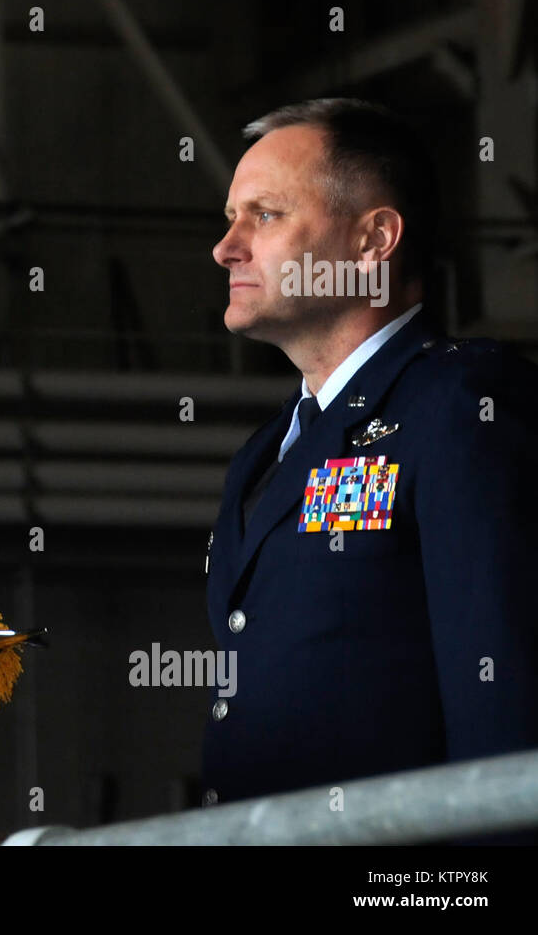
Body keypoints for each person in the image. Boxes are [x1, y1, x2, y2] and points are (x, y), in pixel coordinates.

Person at [202, 98, 538, 840]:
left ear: (372, 241)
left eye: (264, 216)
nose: (226, 248)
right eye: (230, 217)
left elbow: (508, 716)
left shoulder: (460, 405)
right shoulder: (263, 458)